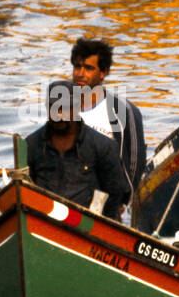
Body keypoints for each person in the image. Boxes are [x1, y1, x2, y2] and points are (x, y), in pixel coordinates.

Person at [50, 37, 147, 196]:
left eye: (88, 68)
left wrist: (123, 200)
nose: (81, 74)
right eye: (77, 67)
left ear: (103, 73)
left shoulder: (121, 110)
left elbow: (134, 163)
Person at [25, 82, 131, 219]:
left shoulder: (103, 146)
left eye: (64, 108)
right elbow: (25, 189)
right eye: (54, 108)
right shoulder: (32, 145)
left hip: (89, 226)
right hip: (43, 221)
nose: (58, 114)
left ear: (77, 107)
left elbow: (115, 194)